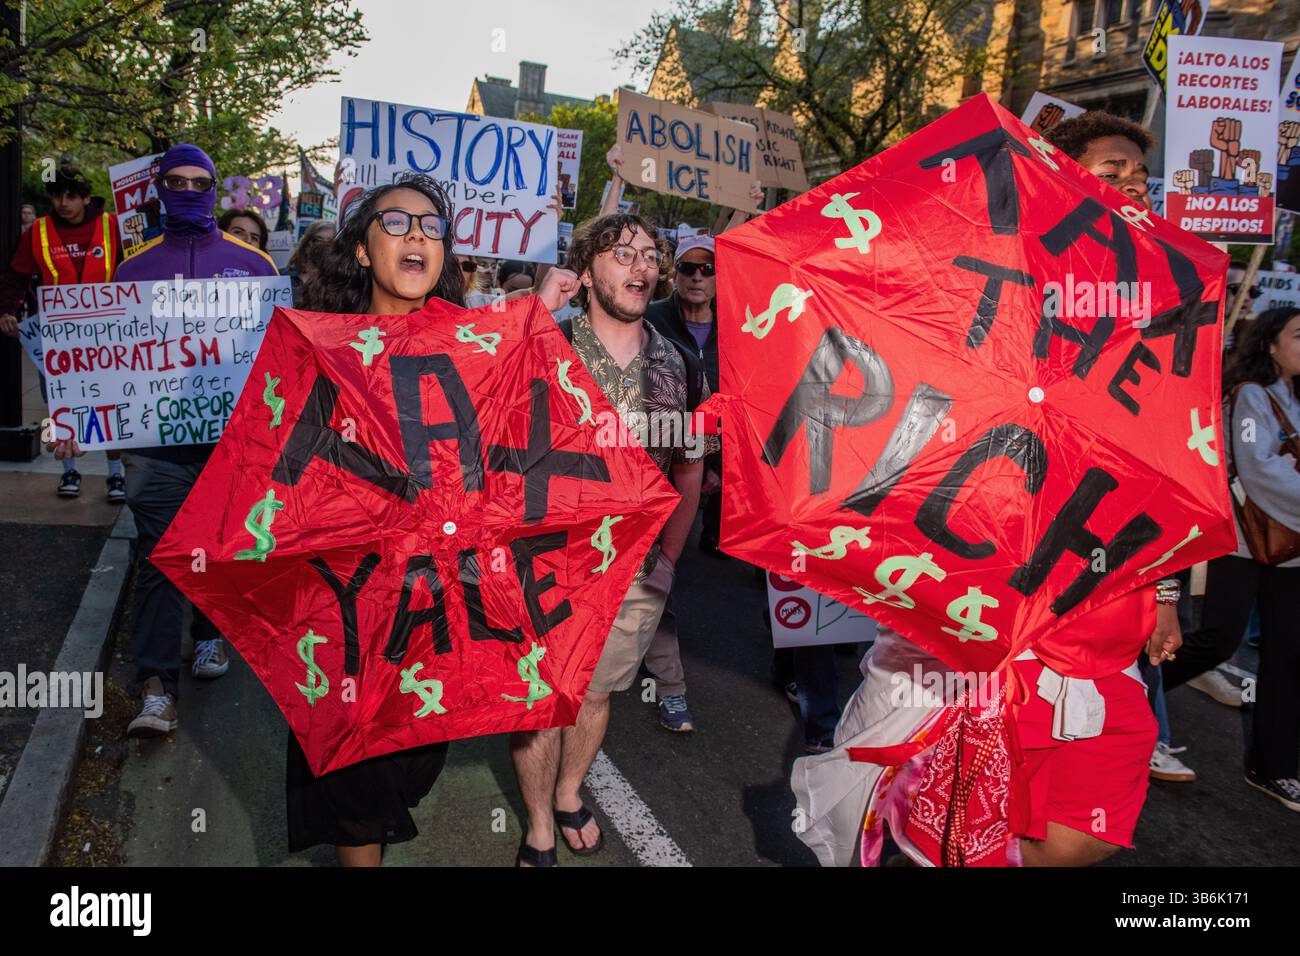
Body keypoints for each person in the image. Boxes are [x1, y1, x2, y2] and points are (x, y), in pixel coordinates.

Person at [511, 212, 713, 865]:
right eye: (623, 254)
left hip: (638, 568)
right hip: (545, 562)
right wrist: (532, 317)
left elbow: (689, 465)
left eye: (651, 255)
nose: (642, 267)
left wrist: (670, 561)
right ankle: (540, 823)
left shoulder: (679, 365)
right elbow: (477, 408)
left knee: (596, 694)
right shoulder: (544, 347)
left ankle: (569, 792)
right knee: (543, 701)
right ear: (586, 268)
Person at [112, 144, 279, 738]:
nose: (187, 192)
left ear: (214, 187)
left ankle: (208, 635)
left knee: (209, 549)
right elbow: (112, 364)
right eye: (175, 182)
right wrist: (92, 424)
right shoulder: (132, 271)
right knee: (160, 558)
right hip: (155, 448)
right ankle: (156, 686)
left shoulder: (255, 267)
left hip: (228, 449)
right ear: (158, 187)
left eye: (199, 182)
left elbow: (272, 363)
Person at [1165, 307, 1300, 812]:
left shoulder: (1294, 395)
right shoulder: (1249, 397)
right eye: (1299, 336)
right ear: (1269, 344)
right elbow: (1257, 468)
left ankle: (1274, 767)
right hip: (1245, 542)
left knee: (1286, 658)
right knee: (1219, 639)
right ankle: (1139, 690)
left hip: (1291, 548)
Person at [0, 163, 126, 501]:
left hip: (107, 336)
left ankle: (116, 476)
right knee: (58, 407)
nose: (63, 203)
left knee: (110, 405)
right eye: (57, 196)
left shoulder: (112, 226)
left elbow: (135, 269)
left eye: (71, 196)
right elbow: (16, 276)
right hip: (58, 337)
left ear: (86, 197)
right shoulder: (38, 232)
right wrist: (7, 310)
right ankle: (69, 471)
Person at [287, 220, 336, 307]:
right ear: (307, 244)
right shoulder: (283, 275)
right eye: (319, 240)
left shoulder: (338, 284)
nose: (324, 245)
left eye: (330, 241)